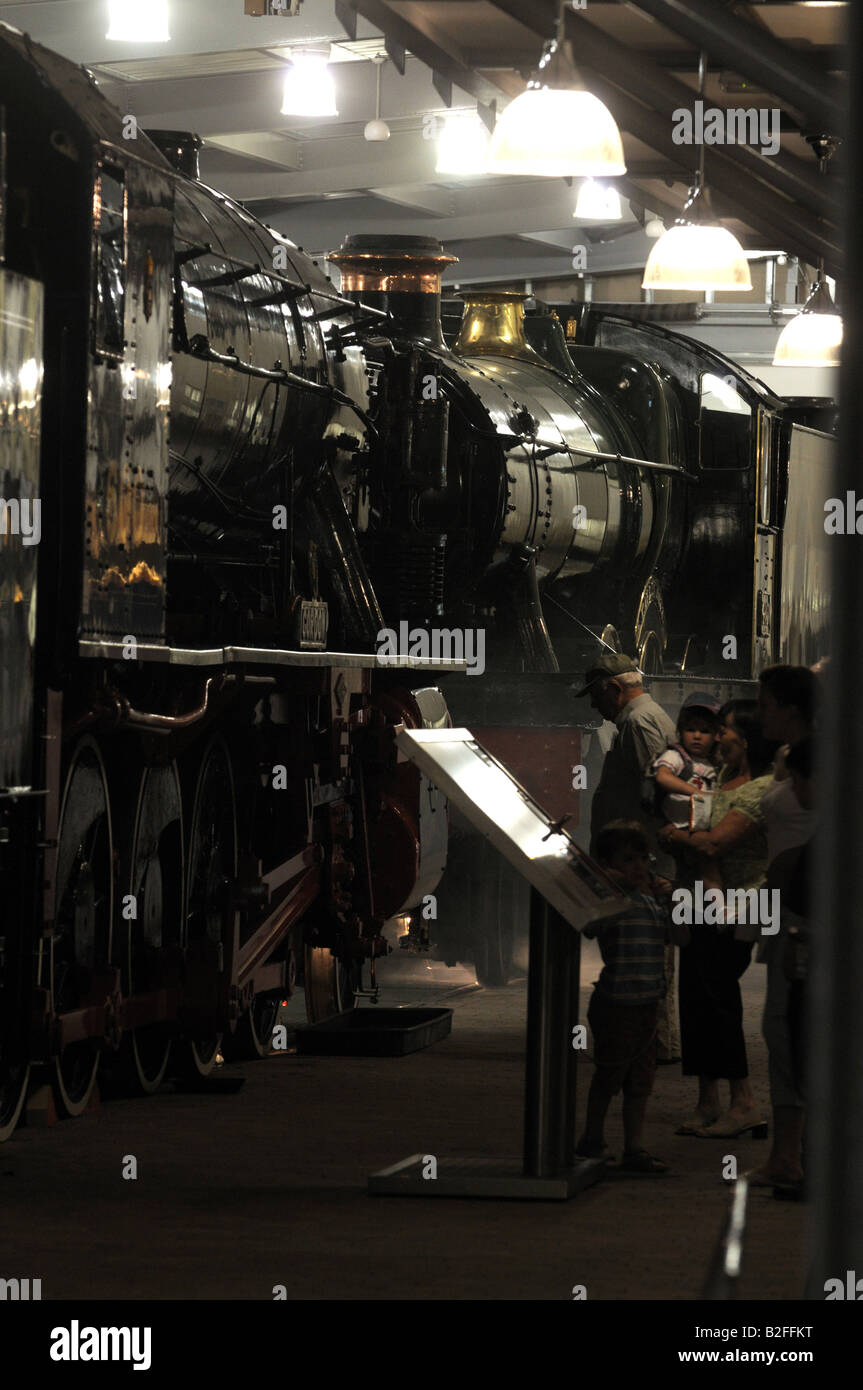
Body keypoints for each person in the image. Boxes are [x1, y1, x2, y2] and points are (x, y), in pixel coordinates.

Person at [659, 700, 776, 1138]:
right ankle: (708, 1100)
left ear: (746, 739)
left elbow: (714, 845)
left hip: (743, 903)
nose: (716, 735)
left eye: (724, 729)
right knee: (695, 995)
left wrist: (678, 836)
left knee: (719, 998)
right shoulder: (725, 776)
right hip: (700, 899)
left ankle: (743, 1101)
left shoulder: (761, 789)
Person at [576, 654, 680, 1060]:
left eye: (595, 696)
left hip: (646, 865)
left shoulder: (638, 724)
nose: (592, 706)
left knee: (651, 959)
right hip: (644, 862)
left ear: (614, 689)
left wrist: (646, 866)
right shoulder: (640, 719)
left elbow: (658, 794)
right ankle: (654, 1043)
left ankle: (656, 1045)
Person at [747, 666, 817, 1190]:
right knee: (779, 1026)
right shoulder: (786, 758)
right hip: (784, 904)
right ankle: (788, 1153)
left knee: (792, 1026)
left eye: (767, 703)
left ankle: (798, 1155)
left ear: (791, 708)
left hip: (807, 910)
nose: (761, 712)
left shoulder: (819, 757)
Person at [577, 820, 670, 1174]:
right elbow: (589, 928)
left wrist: (670, 901)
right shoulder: (610, 902)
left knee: (641, 1081)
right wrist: (609, 890)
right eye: (628, 860)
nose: (639, 868)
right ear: (607, 866)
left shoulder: (651, 901)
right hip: (616, 1004)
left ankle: (634, 1147)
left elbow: (681, 938)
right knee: (610, 1075)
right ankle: (592, 1138)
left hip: (648, 1004)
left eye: (643, 860)